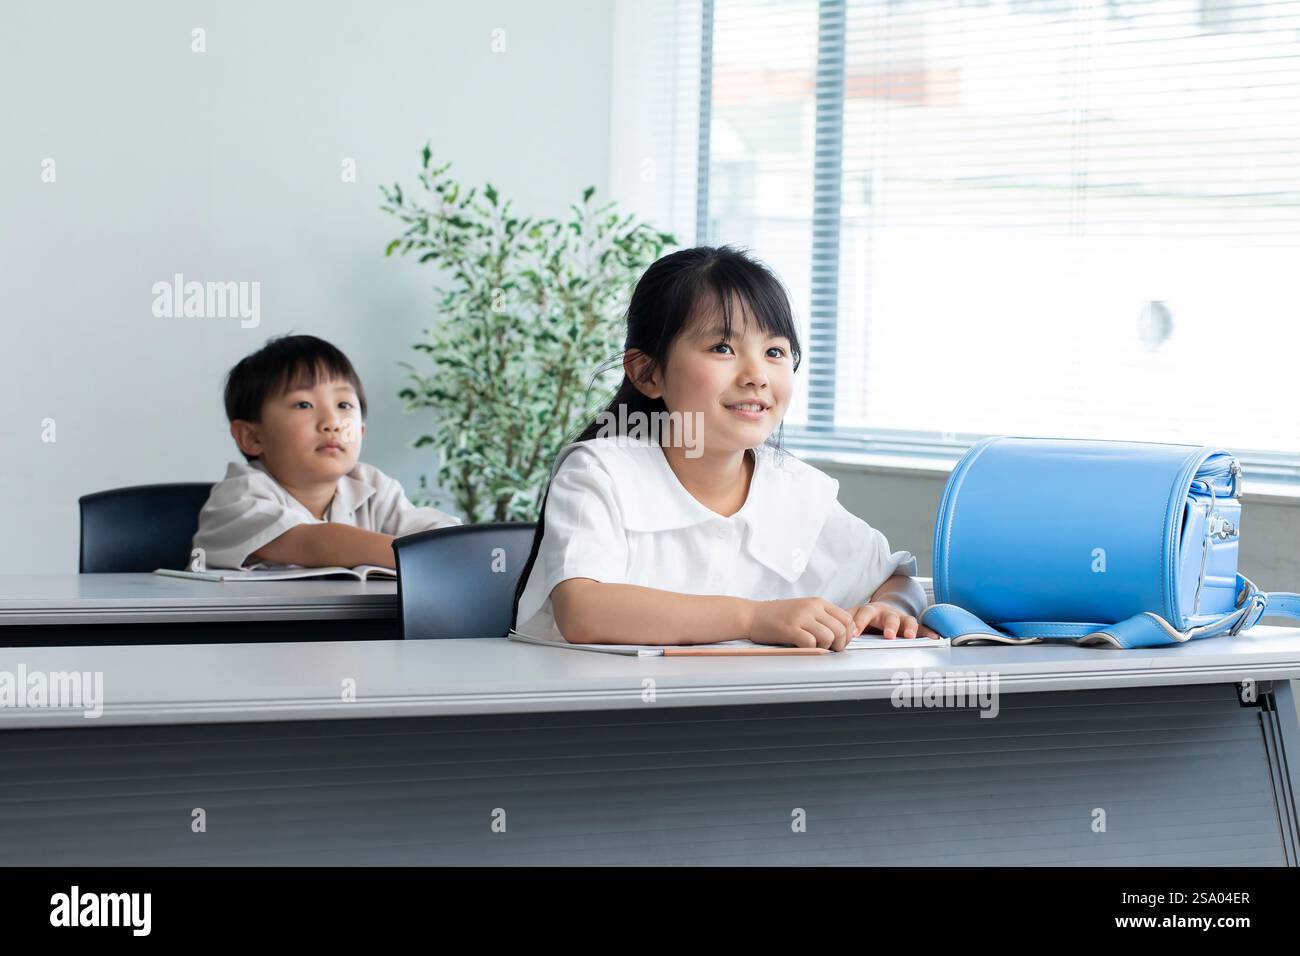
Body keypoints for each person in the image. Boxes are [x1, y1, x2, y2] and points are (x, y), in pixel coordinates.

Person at [512, 246, 934, 650]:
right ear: (646, 372)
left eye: (774, 351)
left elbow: (895, 578)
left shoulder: (798, 489)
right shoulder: (600, 472)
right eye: (722, 348)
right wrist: (755, 618)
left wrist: (889, 609)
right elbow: (584, 611)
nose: (756, 375)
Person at [193, 334, 460, 570]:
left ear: (361, 432)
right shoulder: (238, 497)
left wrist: (458, 550)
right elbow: (314, 543)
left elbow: (445, 537)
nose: (332, 423)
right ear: (252, 437)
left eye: (344, 404)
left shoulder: (373, 487)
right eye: (303, 404)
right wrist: (421, 556)